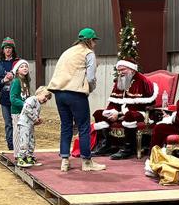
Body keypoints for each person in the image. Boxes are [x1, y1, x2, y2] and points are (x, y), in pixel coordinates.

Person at [47, 28, 107, 172]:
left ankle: (65, 161)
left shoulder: (68, 51)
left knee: (66, 126)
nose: (95, 44)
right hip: (76, 93)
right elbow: (91, 77)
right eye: (94, 41)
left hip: (59, 93)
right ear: (89, 41)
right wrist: (90, 88)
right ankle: (87, 162)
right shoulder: (89, 53)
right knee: (84, 127)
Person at [92, 59, 158, 160]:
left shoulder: (143, 81)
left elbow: (142, 104)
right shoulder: (120, 80)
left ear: (132, 69)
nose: (120, 73)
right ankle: (106, 146)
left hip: (142, 112)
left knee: (129, 116)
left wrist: (118, 114)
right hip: (122, 111)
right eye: (118, 70)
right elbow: (114, 101)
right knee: (99, 113)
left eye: (123, 70)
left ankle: (128, 148)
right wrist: (112, 111)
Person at [0, 37, 18, 150]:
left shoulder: (18, 63)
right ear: (3, 50)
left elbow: (26, 78)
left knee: (18, 123)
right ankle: (11, 147)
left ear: (13, 49)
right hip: (5, 98)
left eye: (10, 48)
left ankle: (19, 146)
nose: (8, 50)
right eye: (6, 48)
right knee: (8, 124)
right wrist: (3, 81)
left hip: (17, 98)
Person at [16, 86, 53, 168]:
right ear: (39, 93)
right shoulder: (32, 99)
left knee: (31, 141)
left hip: (30, 125)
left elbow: (34, 115)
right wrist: (35, 118)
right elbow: (26, 108)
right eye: (45, 96)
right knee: (24, 141)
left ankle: (29, 157)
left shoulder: (38, 104)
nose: (46, 99)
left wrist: (37, 121)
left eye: (48, 99)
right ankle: (21, 158)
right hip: (24, 124)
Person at [8, 58, 31, 159]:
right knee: (17, 132)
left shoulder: (25, 82)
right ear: (17, 70)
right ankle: (17, 154)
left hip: (24, 111)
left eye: (26, 66)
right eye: (22, 67)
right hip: (17, 112)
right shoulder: (16, 82)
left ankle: (25, 153)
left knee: (25, 133)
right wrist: (25, 104)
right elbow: (13, 99)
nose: (25, 68)